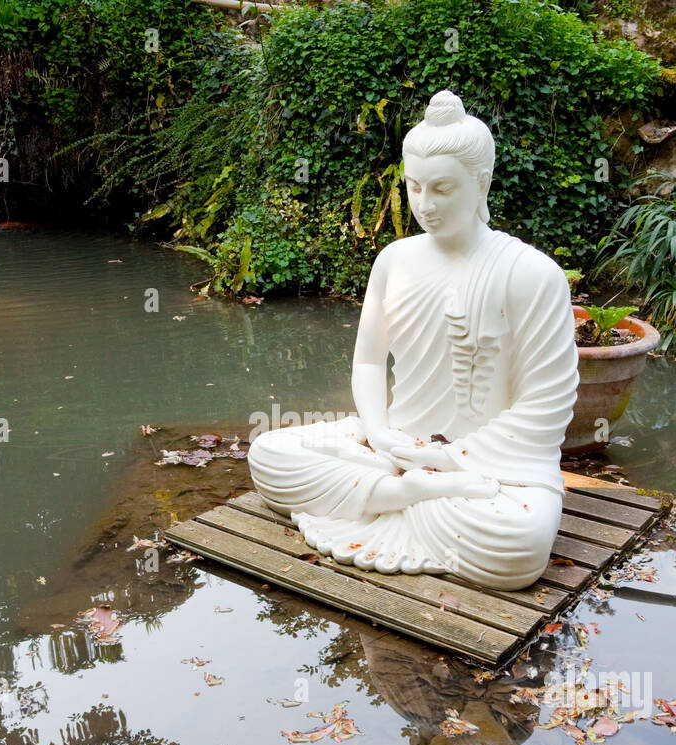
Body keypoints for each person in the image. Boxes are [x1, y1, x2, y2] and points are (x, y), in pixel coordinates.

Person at [248, 90, 579, 590]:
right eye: (416, 186)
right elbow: (367, 364)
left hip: (488, 467)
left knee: (517, 541)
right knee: (269, 453)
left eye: (443, 188)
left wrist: (445, 459)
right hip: (395, 446)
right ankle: (406, 495)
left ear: (481, 182)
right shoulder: (394, 261)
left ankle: (382, 497)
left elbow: (548, 406)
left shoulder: (531, 274)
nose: (425, 204)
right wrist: (381, 435)